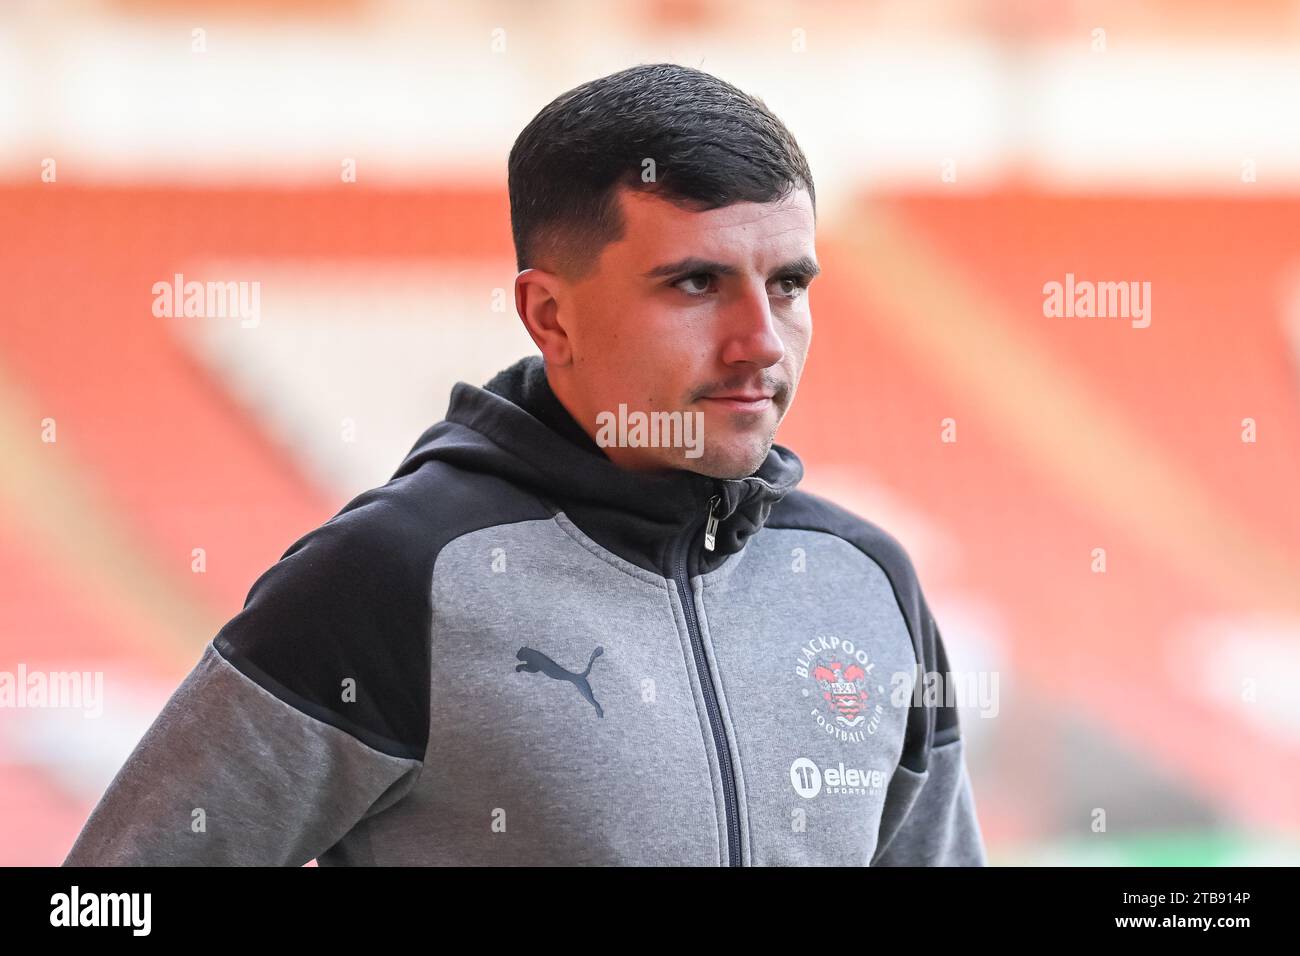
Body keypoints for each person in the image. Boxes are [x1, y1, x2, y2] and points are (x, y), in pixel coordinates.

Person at [63, 62, 986, 866]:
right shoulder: (394, 578)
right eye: (696, 283)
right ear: (550, 316)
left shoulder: (866, 583)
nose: (760, 343)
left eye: (789, 284)